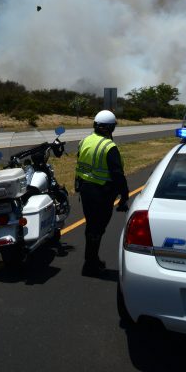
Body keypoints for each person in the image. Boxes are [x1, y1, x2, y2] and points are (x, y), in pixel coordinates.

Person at [75, 110, 129, 276]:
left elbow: (79, 164)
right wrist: (124, 196)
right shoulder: (109, 146)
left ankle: (91, 259)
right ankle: (90, 264)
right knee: (97, 228)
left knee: (91, 226)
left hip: (85, 190)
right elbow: (117, 174)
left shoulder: (85, 140)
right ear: (110, 128)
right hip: (101, 192)